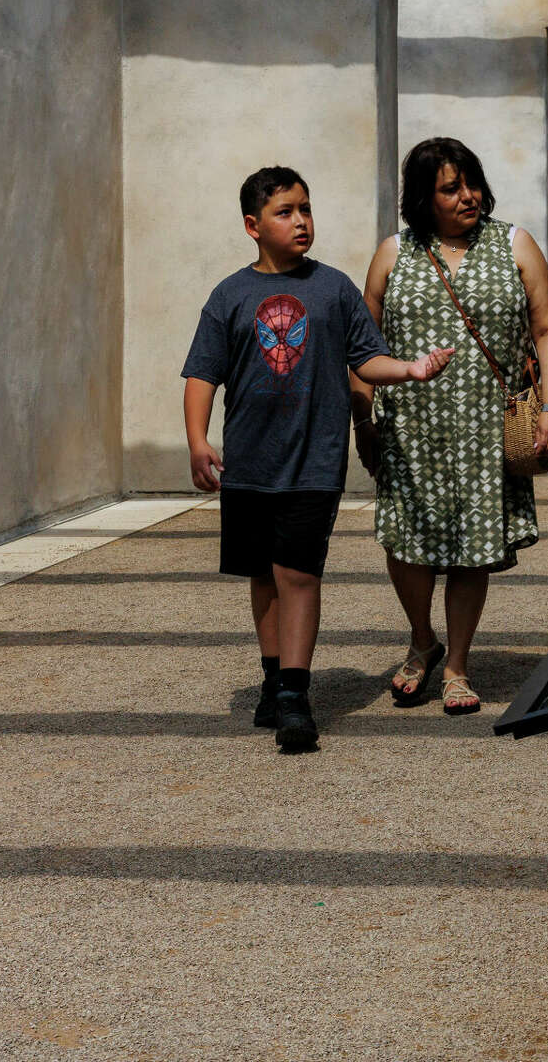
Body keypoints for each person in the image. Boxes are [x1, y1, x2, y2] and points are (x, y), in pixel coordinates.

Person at [183, 166, 454, 754]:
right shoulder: (229, 295)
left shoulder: (333, 290)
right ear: (253, 226)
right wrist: (198, 440)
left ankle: (294, 697)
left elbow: (368, 358)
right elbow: (203, 372)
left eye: (306, 208)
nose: (301, 221)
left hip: (314, 462)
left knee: (299, 574)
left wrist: (409, 369)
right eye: (286, 212)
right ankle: (273, 674)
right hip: (249, 465)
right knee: (263, 574)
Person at [353, 137, 548, 715]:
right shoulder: (393, 253)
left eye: (472, 182)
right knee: (408, 542)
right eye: (451, 187)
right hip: (410, 429)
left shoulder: (514, 244)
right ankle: (422, 639)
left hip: (484, 430)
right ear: (424, 198)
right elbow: (362, 344)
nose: (468, 195)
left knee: (475, 549)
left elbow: (547, 330)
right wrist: (362, 419)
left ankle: (457, 664)